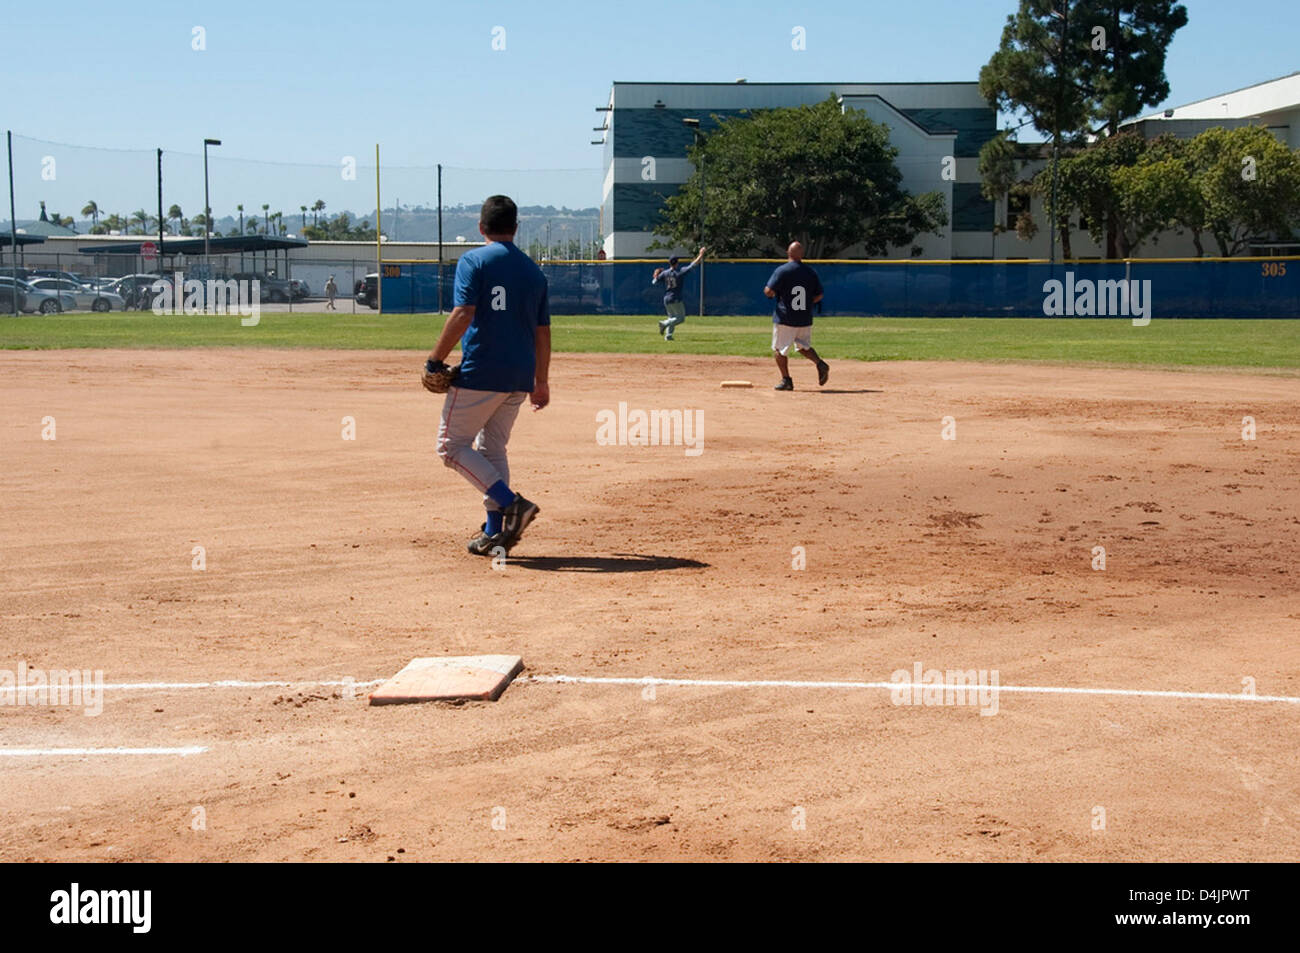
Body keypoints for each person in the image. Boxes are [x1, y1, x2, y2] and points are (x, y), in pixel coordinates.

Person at [426, 195, 551, 556]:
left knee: (450, 447)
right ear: (516, 228)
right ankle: (496, 532)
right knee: (492, 448)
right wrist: (541, 381)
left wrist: (435, 360)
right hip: (519, 376)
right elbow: (543, 333)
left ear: (481, 228)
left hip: (482, 370)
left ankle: (512, 504)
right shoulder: (533, 271)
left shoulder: (473, 261)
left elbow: (463, 312)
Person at [764, 241, 828, 390]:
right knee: (803, 346)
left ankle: (786, 380)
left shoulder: (782, 270)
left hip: (786, 318)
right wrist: (807, 302)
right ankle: (820, 363)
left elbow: (768, 291)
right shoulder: (810, 272)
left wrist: (772, 294)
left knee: (779, 350)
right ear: (802, 255)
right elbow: (819, 296)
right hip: (805, 318)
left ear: (788, 253)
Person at [652, 246, 705, 341]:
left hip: (666, 299)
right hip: (675, 298)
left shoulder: (665, 273)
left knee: (672, 317)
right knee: (680, 319)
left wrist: (656, 275)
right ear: (677, 263)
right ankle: (664, 323)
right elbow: (693, 264)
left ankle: (668, 336)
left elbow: (654, 281)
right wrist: (700, 254)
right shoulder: (680, 272)